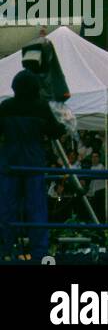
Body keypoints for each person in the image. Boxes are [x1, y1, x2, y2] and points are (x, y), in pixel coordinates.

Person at [0, 70, 66, 260]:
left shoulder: (6, 106)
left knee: (7, 209)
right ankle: (39, 253)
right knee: (36, 209)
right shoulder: (41, 107)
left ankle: (6, 250)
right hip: (33, 165)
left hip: (9, 165)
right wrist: (63, 125)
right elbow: (55, 131)